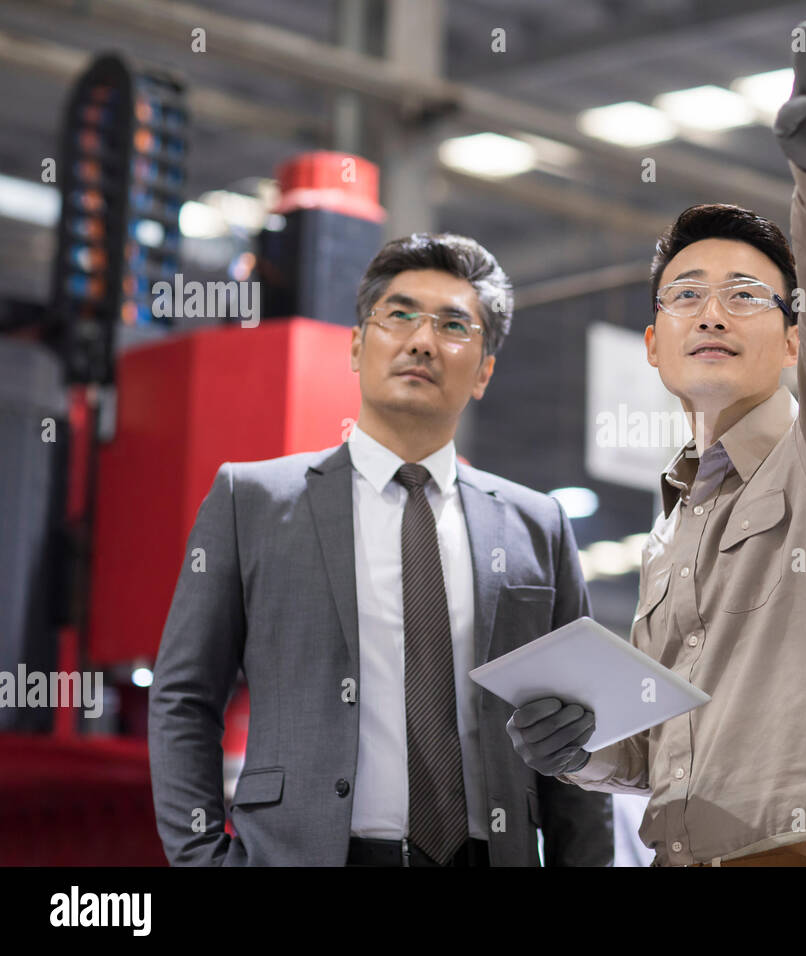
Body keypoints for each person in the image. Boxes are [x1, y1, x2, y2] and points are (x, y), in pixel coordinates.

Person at [508, 21, 806, 867]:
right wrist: (576, 747)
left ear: (795, 340)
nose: (713, 312)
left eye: (745, 295)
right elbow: (665, 750)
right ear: (653, 346)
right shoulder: (674, 525)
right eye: (685, 295)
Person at [149, 233, 613, 866]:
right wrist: (201, 858)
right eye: (399, 314)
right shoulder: (252, 501)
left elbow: (573, 725)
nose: (422, 340)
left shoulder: (537, 524)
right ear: (357, 344)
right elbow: (185, 696)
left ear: (483, 371)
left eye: (454, 325)